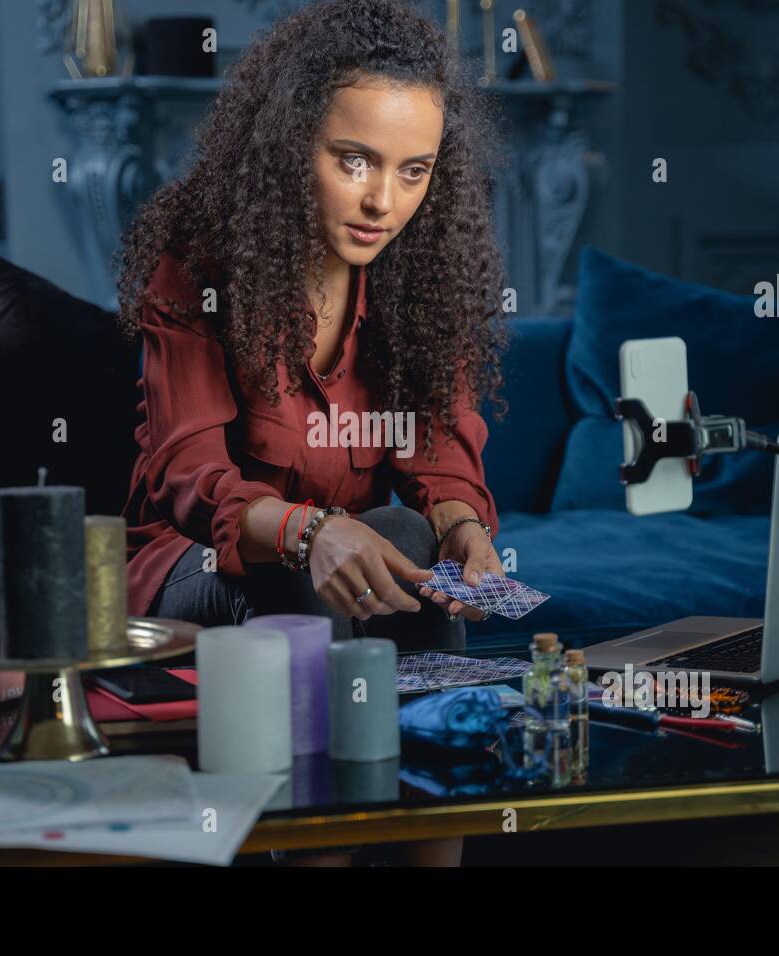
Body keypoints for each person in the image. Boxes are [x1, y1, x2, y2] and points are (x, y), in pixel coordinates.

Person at [116, 0, 509, 865]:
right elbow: (187, 472)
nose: (384, 200)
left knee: (418, 546)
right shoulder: (198, 258)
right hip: (198, 562)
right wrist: (306, 532)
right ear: (293, 142)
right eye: (354, 161)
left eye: (416, 171)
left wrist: (464, 525)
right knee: (307, 589)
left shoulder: (419, 267)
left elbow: (435, 438)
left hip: (357, 548)